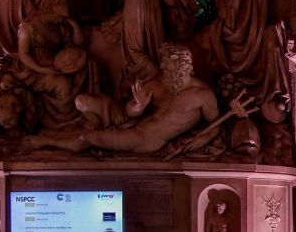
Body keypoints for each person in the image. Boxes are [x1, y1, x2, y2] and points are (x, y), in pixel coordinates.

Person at [31, 44, 218, 156]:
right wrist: (137, 106)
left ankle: (46, 142)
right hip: (134, 128)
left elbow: (215, 123)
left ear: (181, 67)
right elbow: (129, 110)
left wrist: (203, 139)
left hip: (146, 141)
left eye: (166, 66)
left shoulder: (202, 95)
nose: (161, 67)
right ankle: (51, 136)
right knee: (85, 130)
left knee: (88, 137)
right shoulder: (157, 84)